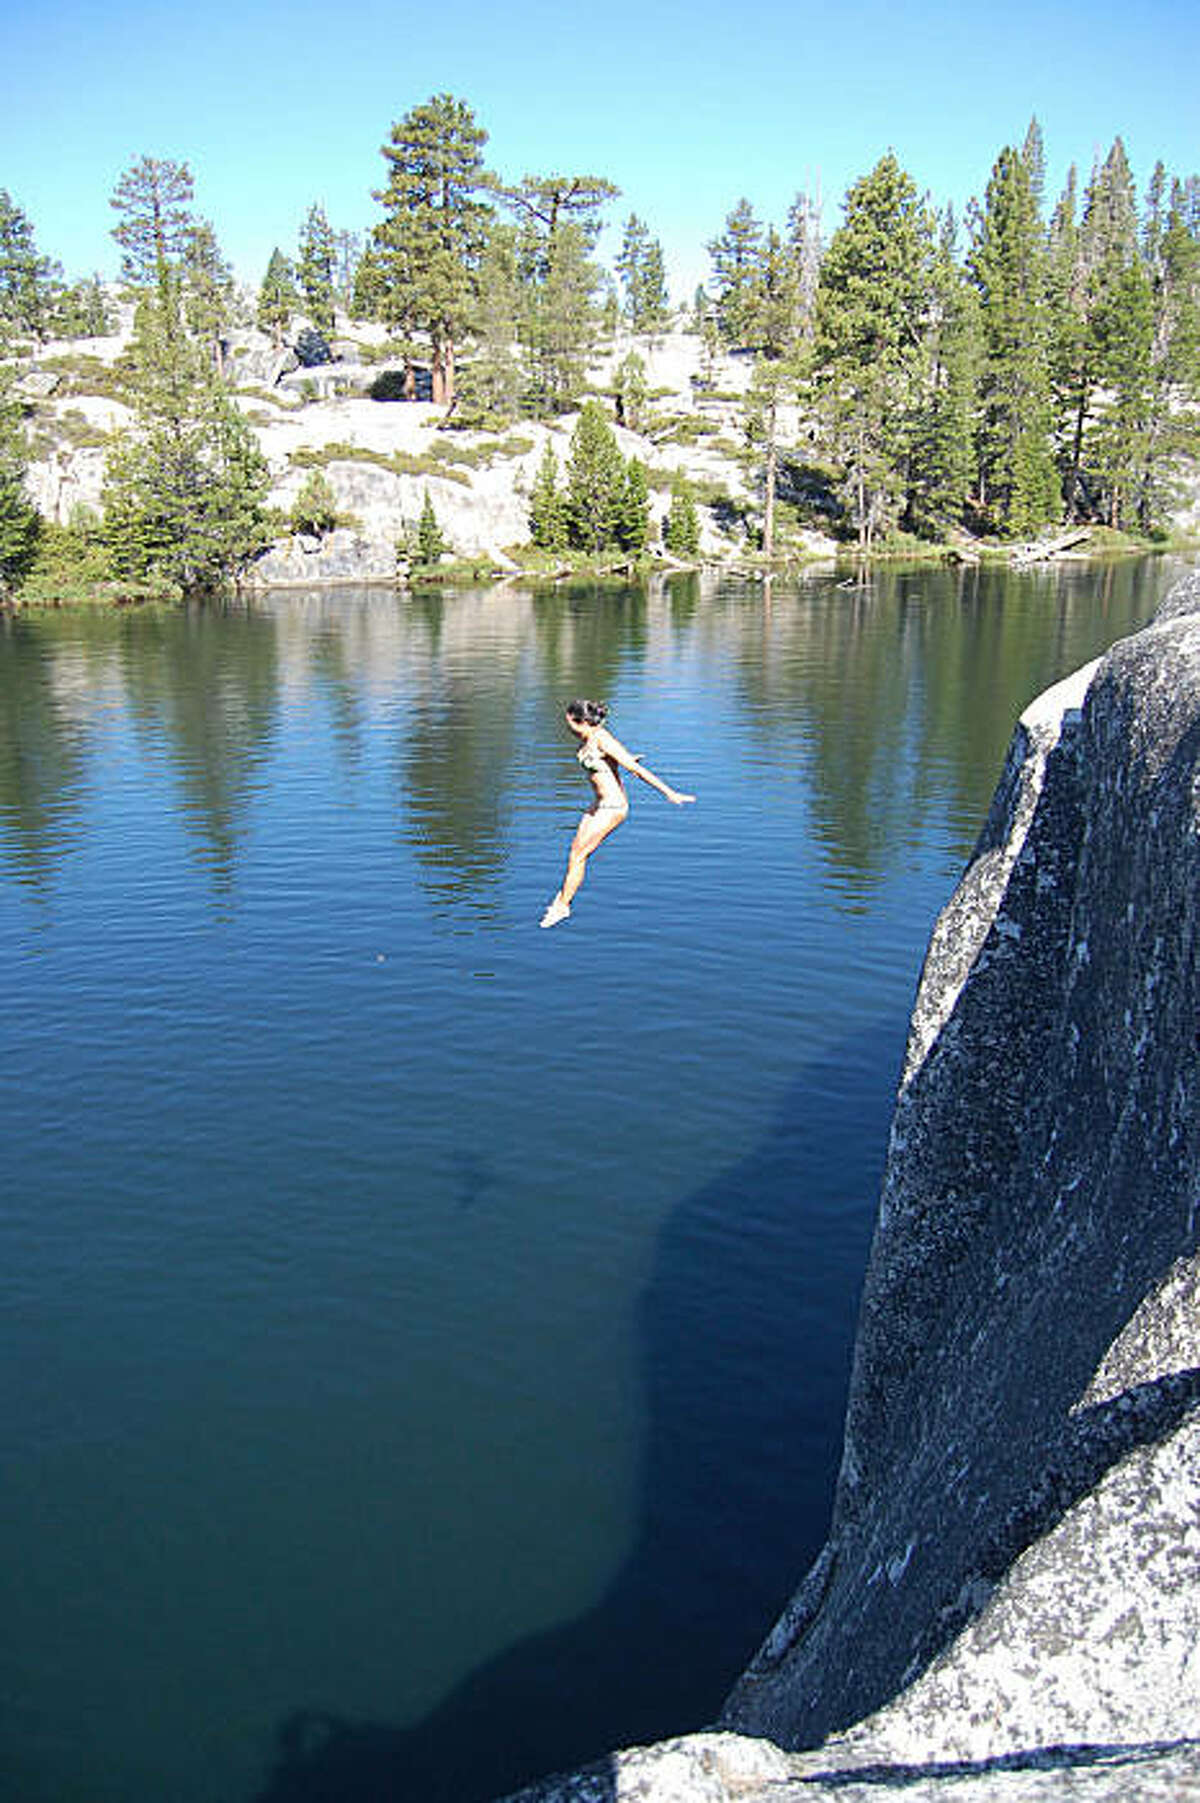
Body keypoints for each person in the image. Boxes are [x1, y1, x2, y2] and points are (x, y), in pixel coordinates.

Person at [540, 699, 695, 927]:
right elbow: (616, 760)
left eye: (569, 722)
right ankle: (564, 895)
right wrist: (625, 758)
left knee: (579, 856)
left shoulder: (602, 738)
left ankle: (563, 906)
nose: (567, 727)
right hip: (598, 804)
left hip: (613, 807)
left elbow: (636, 770)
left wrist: (669, 793)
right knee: (574, 853)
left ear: (581, 721)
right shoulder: (588, 739)